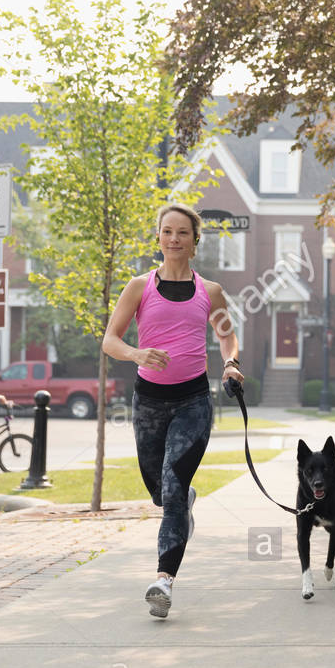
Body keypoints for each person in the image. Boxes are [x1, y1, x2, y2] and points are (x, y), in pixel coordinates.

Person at [102, 203, 245, 618]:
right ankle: (181, 505)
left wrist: (231, 363)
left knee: (173, 484)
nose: (174, 239)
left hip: (193, 401)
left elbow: (227, 338)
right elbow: (110, 340)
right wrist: (136, 352)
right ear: (159, 237)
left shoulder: (210, 291)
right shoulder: (138, 287)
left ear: (194, 241)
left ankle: (163, 580)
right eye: (167, 231)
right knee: (160, 490)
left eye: (182, 232)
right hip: (148, 400)